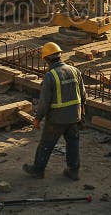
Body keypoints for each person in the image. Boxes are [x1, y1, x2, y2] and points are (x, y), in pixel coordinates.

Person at [23, 42, 86, 180]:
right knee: (73, 144)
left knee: (46, 144)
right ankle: (73, 171)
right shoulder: (75, 71)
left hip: (57, 119)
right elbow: (83, 95)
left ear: (46, 59)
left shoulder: (50, 76)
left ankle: (38, 170)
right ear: (60, 55)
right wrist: (82, 114)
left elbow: (44, 102)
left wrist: (37, 119)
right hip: (74, 117)